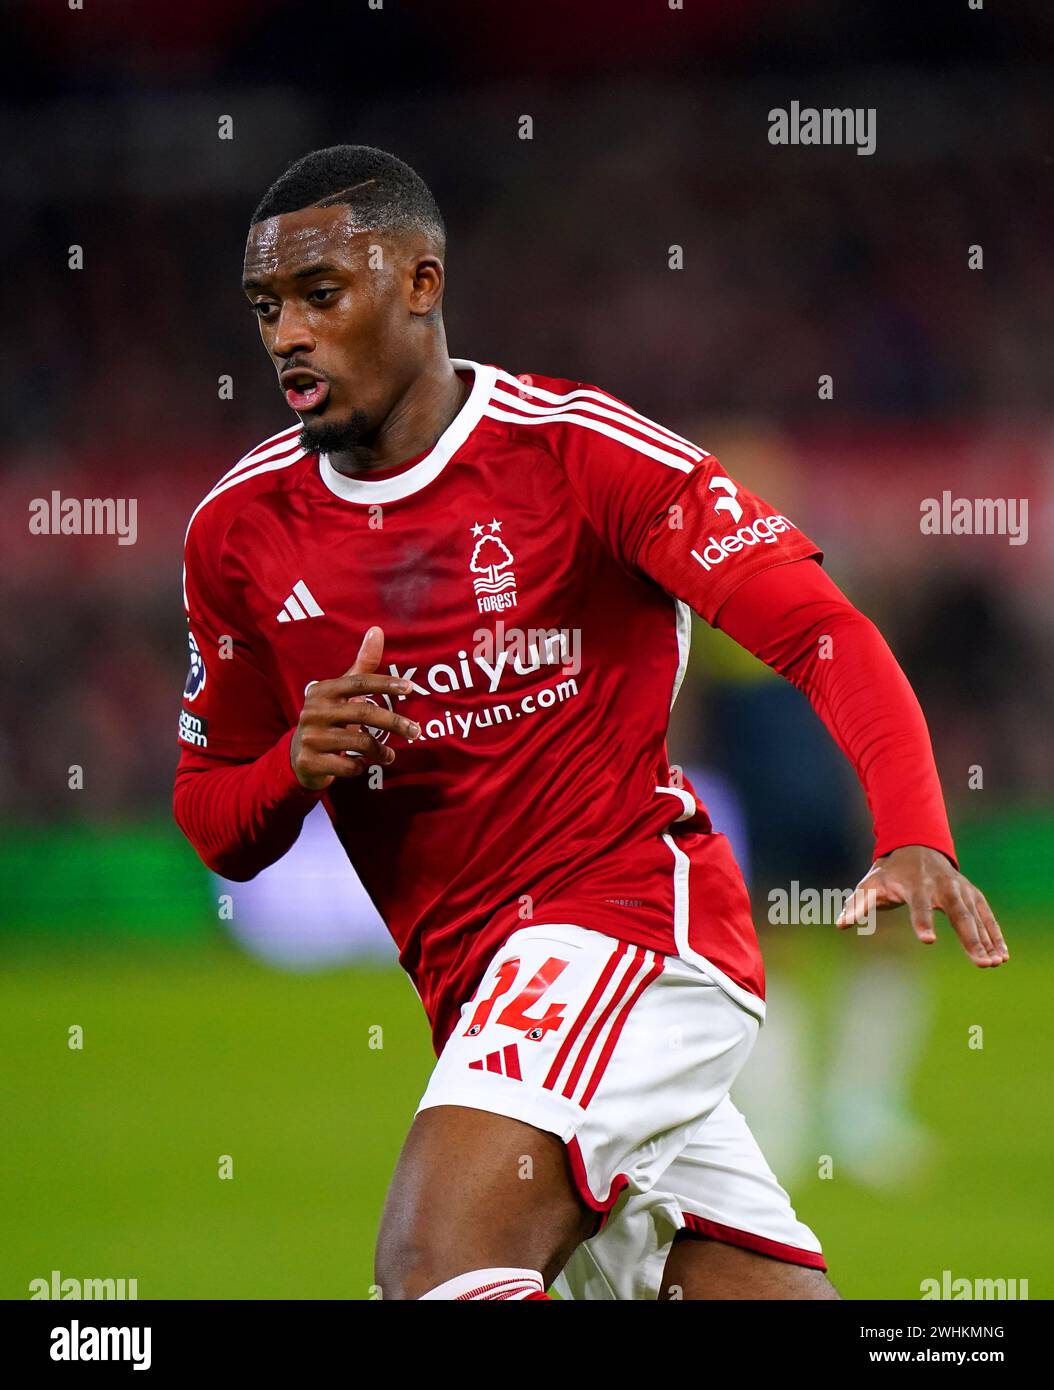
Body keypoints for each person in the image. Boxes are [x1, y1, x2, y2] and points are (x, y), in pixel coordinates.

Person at [173, 145, 1007, 1301]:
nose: (288, 337)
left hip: (634, 931)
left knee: (436, 1264)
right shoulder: (238, 534)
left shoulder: (577, 452)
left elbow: (821, 631)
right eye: (268, 308)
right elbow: (216, 816)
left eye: (324, 294)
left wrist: (913, 825)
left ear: (421, 282)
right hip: (475, 988)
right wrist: (290, 767)